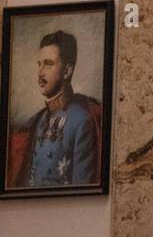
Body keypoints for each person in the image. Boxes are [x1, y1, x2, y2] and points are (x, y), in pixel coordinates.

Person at [13, 31, 101, 189]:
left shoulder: (82, 121)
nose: (40, 73)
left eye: (48, 64)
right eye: (39, 64)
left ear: (67, 71)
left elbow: (82, 190)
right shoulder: (37, 122)